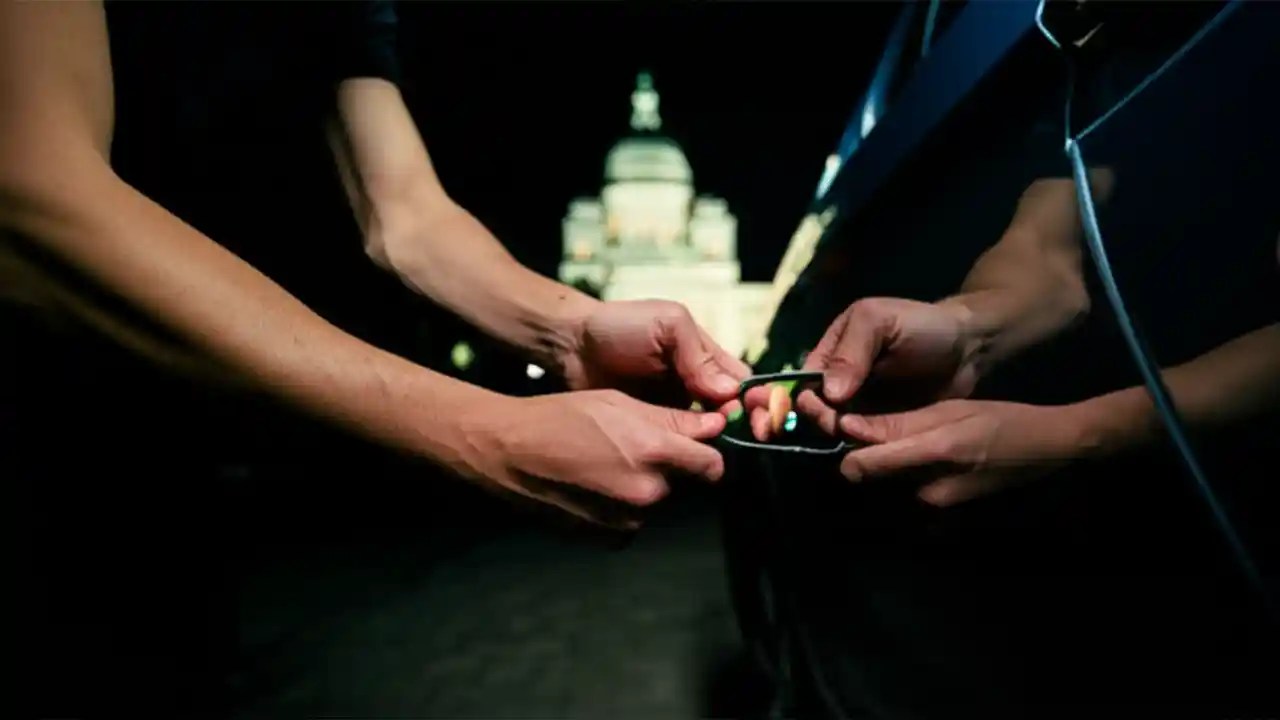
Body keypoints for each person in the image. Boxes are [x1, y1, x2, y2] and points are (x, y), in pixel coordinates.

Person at [0, 1, 746, 714]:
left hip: (161, 459)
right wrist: (488, 431)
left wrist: (570, 330)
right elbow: (27, 194)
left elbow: (406, 219)